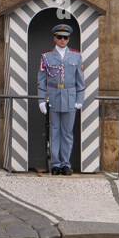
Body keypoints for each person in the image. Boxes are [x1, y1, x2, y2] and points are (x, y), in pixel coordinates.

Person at [37, 23, 85, 176]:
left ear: (68, 39)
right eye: (60, 37)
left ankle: (66, 164)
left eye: (65, 37)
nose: (63, 40)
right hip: (54, 97)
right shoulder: (46, 57)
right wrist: (41, 100)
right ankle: (56, 164)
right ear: (54, 38)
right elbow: (41, 80)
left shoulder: (76, 56)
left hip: (70, 98)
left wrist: (80, 99)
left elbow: (80, 81)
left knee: (67, 133)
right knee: (55, 131)